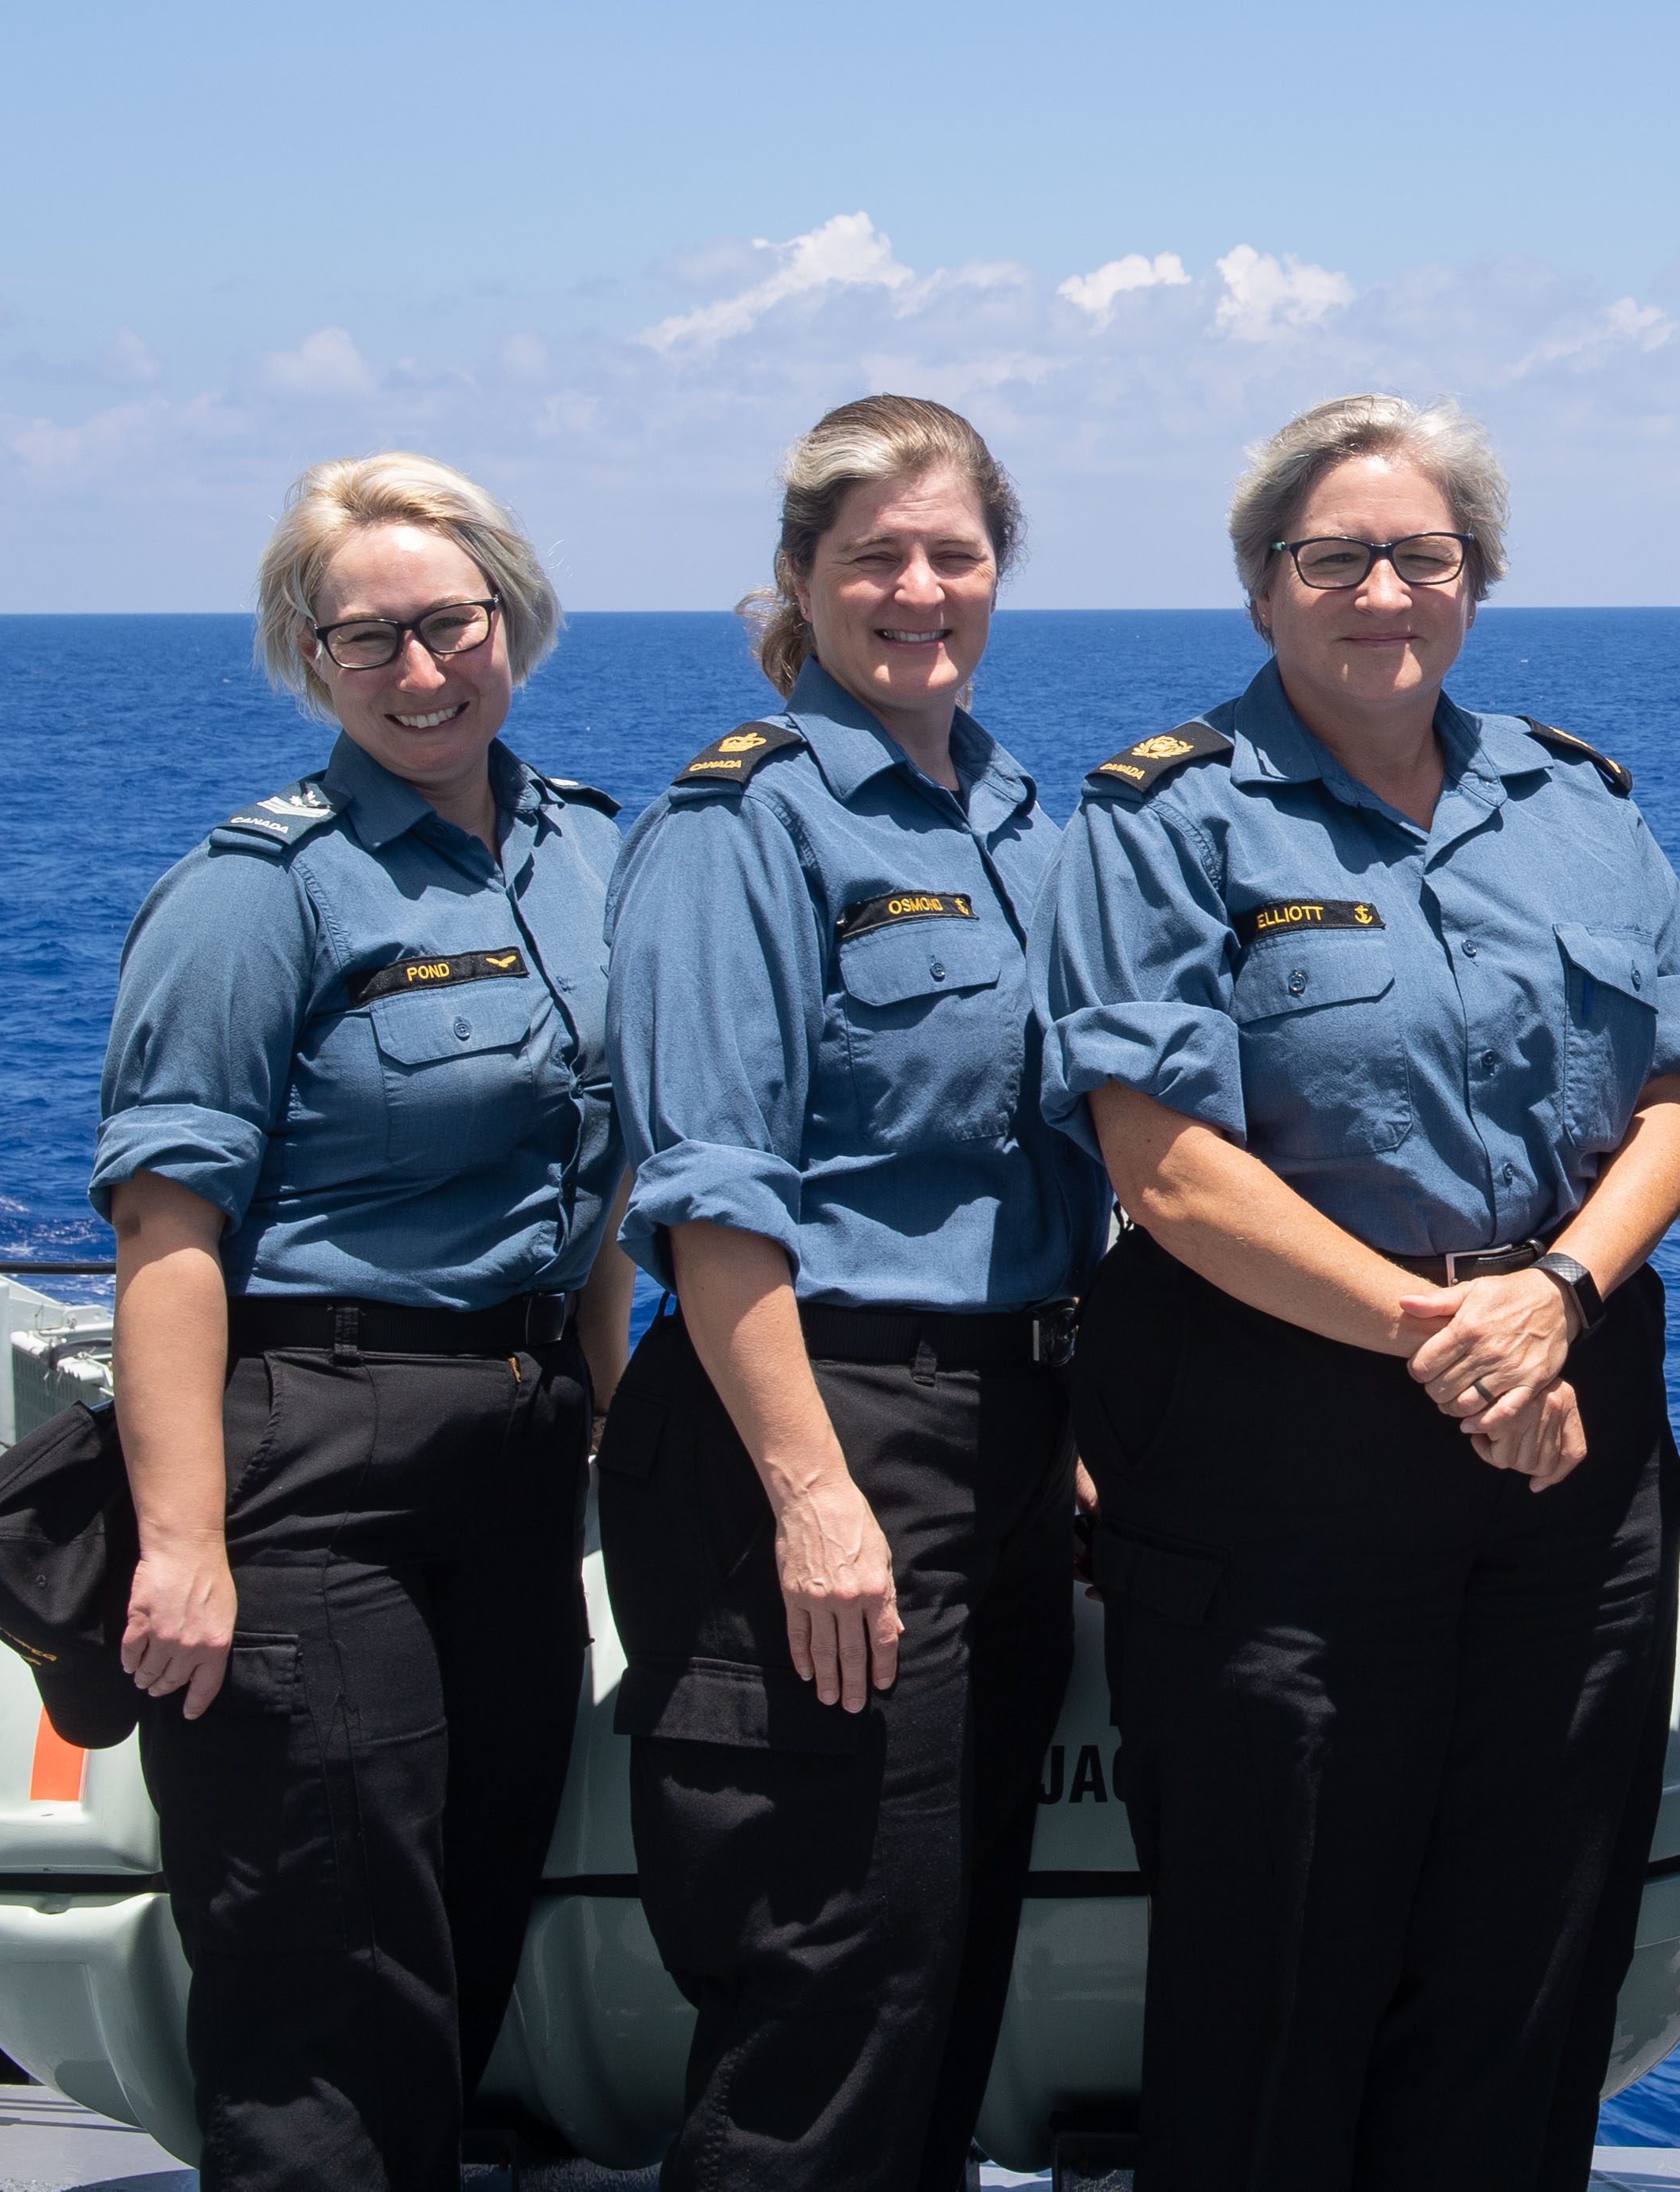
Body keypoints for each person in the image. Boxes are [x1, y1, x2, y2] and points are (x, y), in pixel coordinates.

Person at [1034, 394, 1680, 2191]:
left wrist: (1557, 1293)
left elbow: (1676, 1095)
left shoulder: (1574, 806)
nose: (1379, 589)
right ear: (1262, 592)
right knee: (1273, 1994)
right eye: (1329, 555)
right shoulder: (1168, 821)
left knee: (1524, 1982)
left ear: (1475, 581)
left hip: (1564, 1465)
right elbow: (1166, 1165)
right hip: (1286, 1468)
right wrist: (1464, 1343)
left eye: (1420, 554)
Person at [94, 452, 632, 2191]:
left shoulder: (595, 860)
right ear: (307, 657)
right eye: (368, 638)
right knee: (329, 1971)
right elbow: (169, 1229)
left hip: (520, 1455)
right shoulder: (263, 891)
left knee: (460, 1939)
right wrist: (179, 1543)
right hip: (311, 1462)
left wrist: (620, 1415)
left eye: (452, 624)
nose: (422, 673)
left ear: (515, 621)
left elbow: (605, 1185)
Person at [599, 395, 1104, 2192]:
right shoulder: (743, 830)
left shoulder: (1024, 823)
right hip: (807, 1431)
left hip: (999, 1434)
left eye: (953, 552)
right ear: (800, 581)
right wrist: (815, 1502)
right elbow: (711, 1199)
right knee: (827, 1989)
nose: (917, 587)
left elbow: (1051, 1169)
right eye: (872, 556)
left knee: (940, 1973)